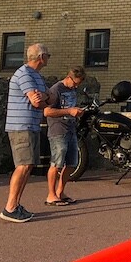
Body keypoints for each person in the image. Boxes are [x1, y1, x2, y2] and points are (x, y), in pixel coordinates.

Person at [1, 42, 51, 223]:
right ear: (41, 57)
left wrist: (44, 96)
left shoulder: (36, 76)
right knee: (23, 166)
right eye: (48, 55)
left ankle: (15, 205)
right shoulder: (24, 74)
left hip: (31, 126)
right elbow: (37, 102)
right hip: (21, 126)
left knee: (28, 166)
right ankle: (10, 207)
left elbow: (49, 97)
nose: (49, 59)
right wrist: (43, 98)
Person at [44, 65, 86, 205]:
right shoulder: (56, 89)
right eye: (75, 83)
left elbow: (71, 109)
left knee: (72, 163)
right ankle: (51, 195)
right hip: (58, 130)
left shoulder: (72, 90)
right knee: (57, 163)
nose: (76, 87)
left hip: (71, 129)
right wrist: (69, 111)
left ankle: (60, 192)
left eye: (78, 85)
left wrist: (77, 112)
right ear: (69, 78)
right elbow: (47, 112)